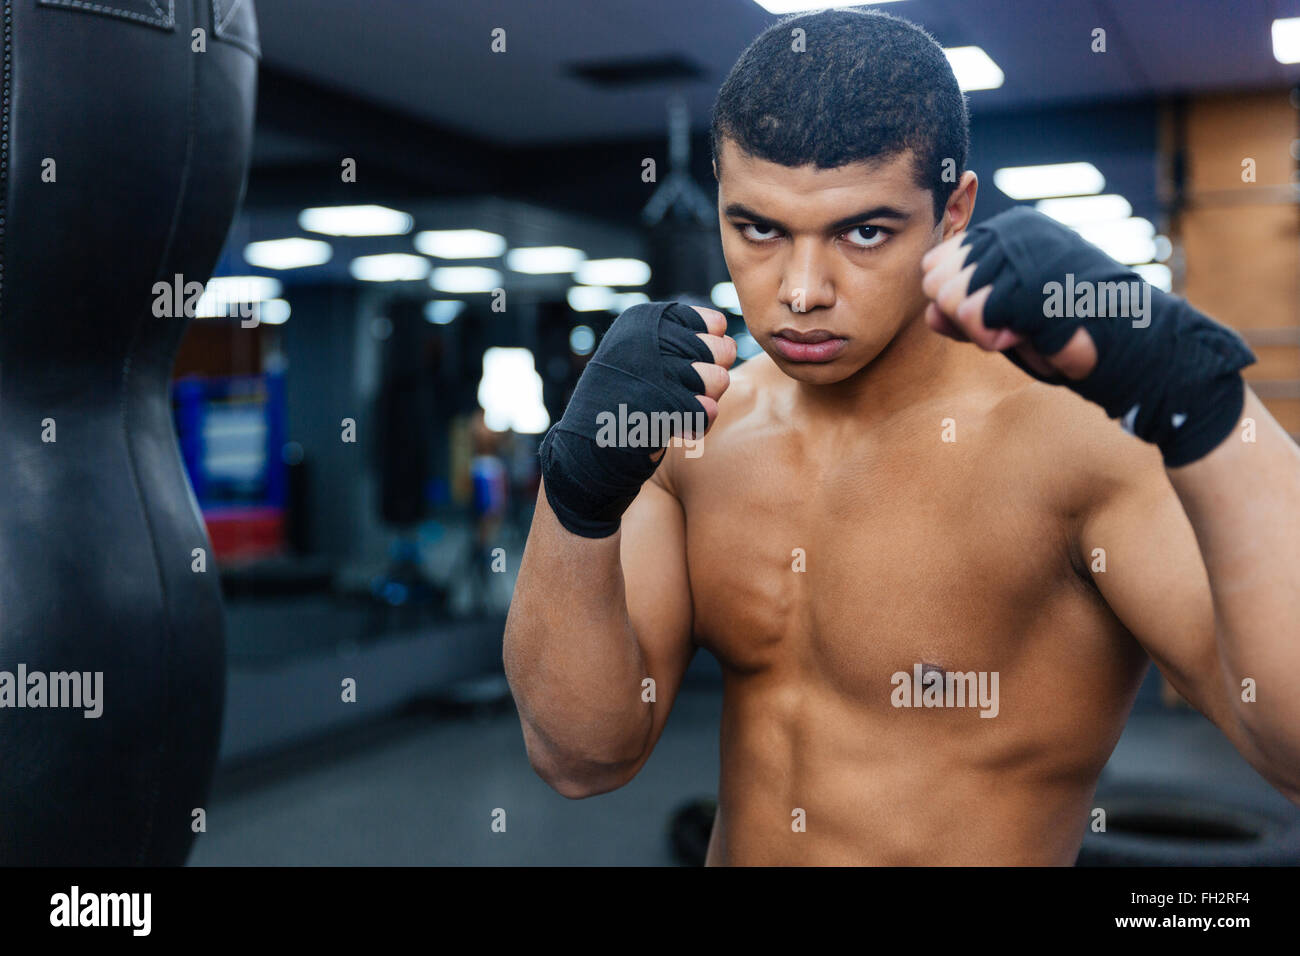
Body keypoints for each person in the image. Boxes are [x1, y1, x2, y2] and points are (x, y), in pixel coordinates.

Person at [503, 8, 1300, 864]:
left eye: (864, 231)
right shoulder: (697, 432)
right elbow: (580, 756)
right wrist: (575, 490)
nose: (802, 290)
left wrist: (1207, 403)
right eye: (759, 228)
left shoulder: (1077, 446)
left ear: (953, 211)